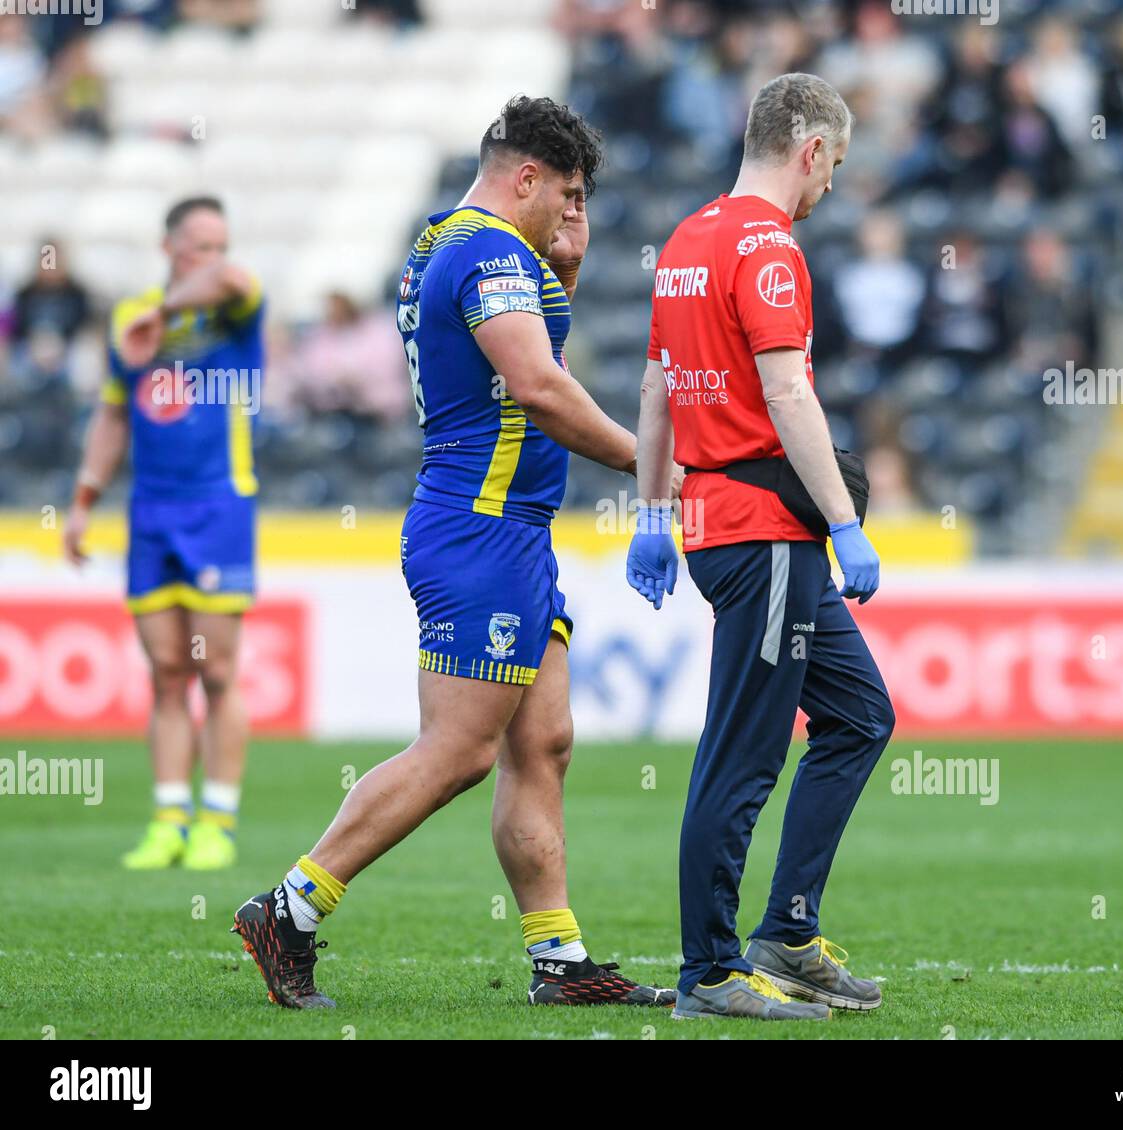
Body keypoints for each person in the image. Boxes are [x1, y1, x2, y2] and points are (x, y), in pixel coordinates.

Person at [231, 96, 674, 1011]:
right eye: (569, 193)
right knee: (460, 751)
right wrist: (649, 463)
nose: (572, 211)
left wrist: (572, 269)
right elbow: (538, 387)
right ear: (526, 178)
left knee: (541, 742)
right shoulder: (488, 252)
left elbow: (519, 368)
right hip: (481, 529)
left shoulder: (450, 242)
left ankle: (559, 961)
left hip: (504, 529)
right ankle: (290, 908)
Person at [627, 72, 895, 1020]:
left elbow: (659, 388)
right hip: (765, 533)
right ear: (811, 149)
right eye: (834, 168)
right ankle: (709, 972)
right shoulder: (771, 249)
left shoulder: (690, 240)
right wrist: (850, 522)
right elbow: (788, 397)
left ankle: (785, 931)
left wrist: (653, 516)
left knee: (862, 715)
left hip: (718, 522)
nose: (828, 191)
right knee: (743, 754)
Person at [65, 196, 264, 872]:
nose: (214, 259)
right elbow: (114, 415)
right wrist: (83, 500)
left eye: (220, 246)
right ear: (168, 245)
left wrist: (168, 309)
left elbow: (235, 282)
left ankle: (220, 821)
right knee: (167, 671)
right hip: (152, 512)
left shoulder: (234, 309)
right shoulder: (128, 320)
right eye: (200, 246)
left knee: (219, 670)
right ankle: (169, 818)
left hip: (219, 509)